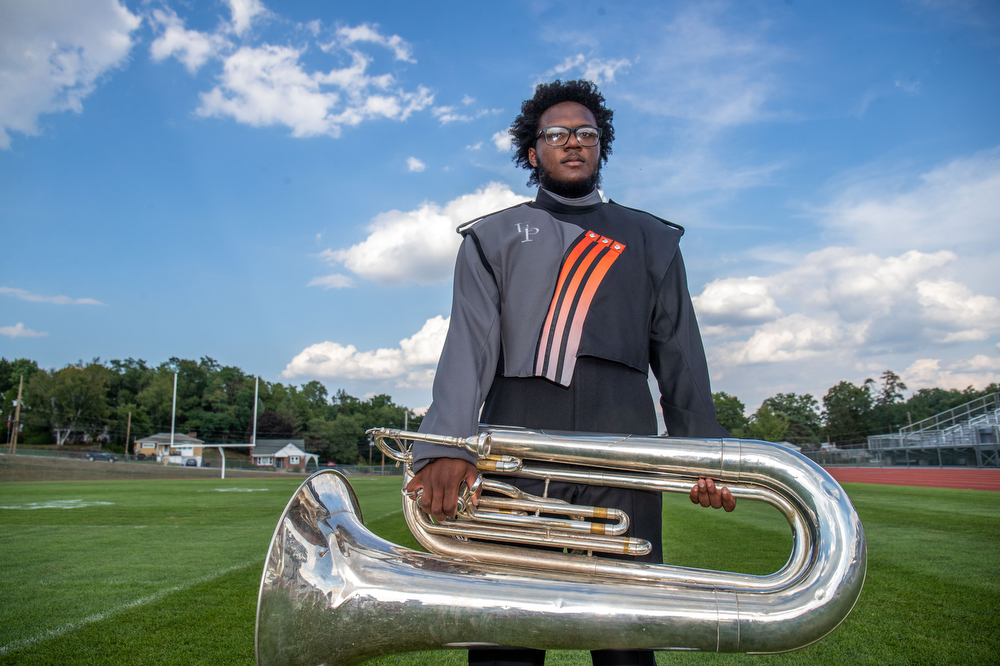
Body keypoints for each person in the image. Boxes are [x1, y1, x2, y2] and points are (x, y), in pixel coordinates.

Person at [406, 79, 735, 666]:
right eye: (556, 134)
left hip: (624, 439)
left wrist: (703, 454)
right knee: (505, 638)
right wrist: (447, 443)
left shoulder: (653, 238)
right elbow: (468, 345)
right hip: (517, 439)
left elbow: (681, 355)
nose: (573, 142)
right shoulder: (490, 237)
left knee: (625, 641)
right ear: (533, 152)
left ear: (601, 146)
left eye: (586, 133)